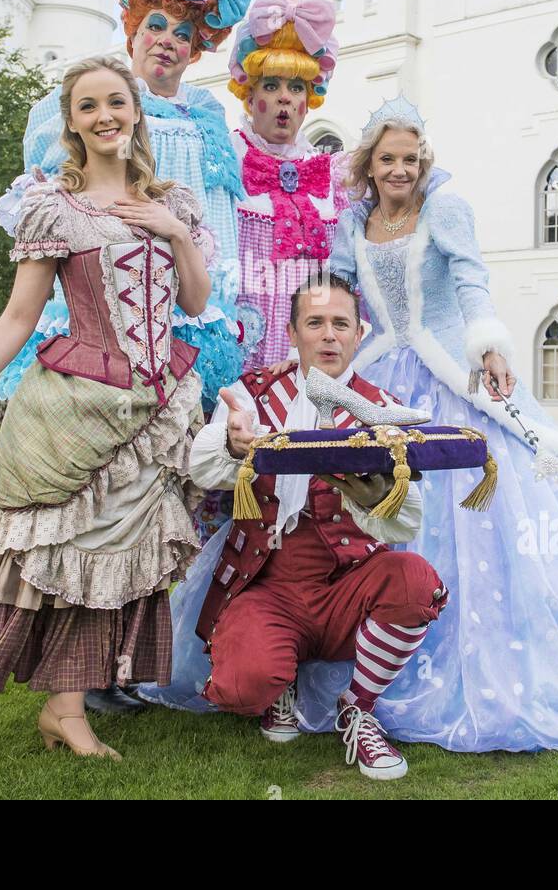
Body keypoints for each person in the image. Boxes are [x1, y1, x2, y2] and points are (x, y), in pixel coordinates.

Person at [313, 95, 558, 753]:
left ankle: (487, 661)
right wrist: (327, 355)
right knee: (367, 507)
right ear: (368, 164)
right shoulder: (351, 223)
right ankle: (361, 659)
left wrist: (489, 346)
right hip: (379, 377)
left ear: (422, 161)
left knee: (481, 513)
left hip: (450, 376)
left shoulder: (446, 210)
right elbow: (338, 299)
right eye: (387, 159)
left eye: (410, 158)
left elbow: (470, 283)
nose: (399, 170)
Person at [0, 55, 212, 770]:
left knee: (110, 569)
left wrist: (174, 230)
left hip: (152, 415)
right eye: (89, 106)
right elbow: (17, 316)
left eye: (116, 103)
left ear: (135, 110)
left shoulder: (175, 203)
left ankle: (67, 711)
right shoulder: (52, 208)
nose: (105, 117)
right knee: (26, 562)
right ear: (72, 120)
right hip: (74, 409)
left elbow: (193, 303)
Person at [145, 273, 447, 779]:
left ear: (358, 334)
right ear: (292, 332)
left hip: (348, 586)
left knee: (416, 580)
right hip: (269, 587)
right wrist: (235, 447)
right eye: (315, 322)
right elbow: (202, 467)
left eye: (340, 324)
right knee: (241, 688)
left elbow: (407, 519)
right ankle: (275, 681)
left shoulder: (380, 409)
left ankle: (359, 708)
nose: (329, 335)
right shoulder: (252, 393)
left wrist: (370, 492)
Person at [0, 0, 253, 413]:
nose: (167, 40)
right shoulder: (93, 103)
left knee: (186, 450)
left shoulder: (209, 115)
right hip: (110, 292)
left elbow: (222, 214)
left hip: (190, 293)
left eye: (182, 33)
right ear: (132, 35)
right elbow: (63, 201)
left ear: (194, 51)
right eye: (155, 26)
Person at [225, 0, 350, 370]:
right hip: (243, 352)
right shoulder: (226, 157)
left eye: (296, 88)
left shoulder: (332, 177)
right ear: (249, 95)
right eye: (272, 85)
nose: (285, 99)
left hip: (312, 359)